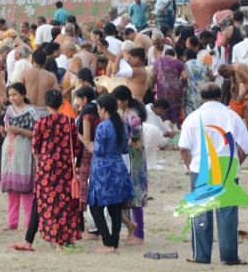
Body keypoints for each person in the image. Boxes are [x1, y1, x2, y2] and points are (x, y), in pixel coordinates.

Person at [179, 83, 248, 265]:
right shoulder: (231, 116)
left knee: (202, 213)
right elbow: (245, 146)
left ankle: (201, 255)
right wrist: (236, 163)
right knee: (228, 213)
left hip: (201, 169)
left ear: (202, 98)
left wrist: (189, 167)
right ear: (220, 96)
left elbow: (183, 148)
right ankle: (229, 256)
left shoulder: (193, 117)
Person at [13, 88, 81, 251]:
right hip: (65, 168)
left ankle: (29, 241)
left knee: (40, 202)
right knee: (64, 203)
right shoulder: (69, 122)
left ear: (46, 104)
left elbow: (35, 148)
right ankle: (61, 240)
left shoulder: (42, 123)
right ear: (61, 103)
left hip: (46, 168)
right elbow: (76, 147)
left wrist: (40, 164)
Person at [87, 93, 135, 252]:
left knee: (96, 207)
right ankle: (114, 241)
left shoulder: (103, 127)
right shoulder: (121, 125)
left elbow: (99, 151)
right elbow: (126, 148)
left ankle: (107, 242)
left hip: (102, 169)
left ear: (103, 109)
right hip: (117, 167)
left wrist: (91, 147)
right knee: (115, 206)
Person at [0, 83, 37, 232]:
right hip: (10, 151)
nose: (12, 98)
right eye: (10, 95)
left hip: (25, 150)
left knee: (26, 188)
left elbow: (36, 133)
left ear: (23, 94)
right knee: (12, 189)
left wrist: (19, 130)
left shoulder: (31, 112)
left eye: (15, 95)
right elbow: (6, 131)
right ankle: (12, 221)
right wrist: (2, 130)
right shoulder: (9, 111)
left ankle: (28, 222)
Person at [112, 85, 148, 244]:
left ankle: (139, 234)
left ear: (125, 100)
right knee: (133, 195)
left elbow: (136, 127)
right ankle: (136, 232)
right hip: (132, 156)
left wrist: (133, 140)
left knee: (136, 196)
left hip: (134, 158)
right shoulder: (129, 111)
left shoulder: (132, 113)